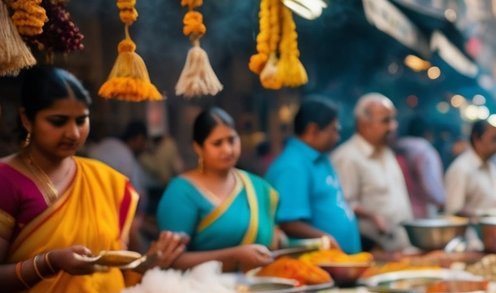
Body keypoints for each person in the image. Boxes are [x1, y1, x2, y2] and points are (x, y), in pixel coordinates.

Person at [0, 67, 185, 293]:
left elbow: (122, 271)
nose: (73, 133)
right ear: (27, 119)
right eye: (58, 121)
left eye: (81, 120)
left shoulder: (107, 181)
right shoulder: (5, 179)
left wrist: (150, 262)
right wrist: (49, 263)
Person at [156, 108, 279, 272]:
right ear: (198, 148)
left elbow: (273, 238)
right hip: (201, 292)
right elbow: (170, 259)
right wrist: (234, 256)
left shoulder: (257, 186)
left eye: (232, 140)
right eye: (217, 143)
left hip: (261, 289)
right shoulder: (181, 192)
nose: (227, 150)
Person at [266, 98, 360, 253]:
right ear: (313, 130)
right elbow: (289, 223)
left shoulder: (320, 158)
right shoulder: (293, 166)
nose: (337, 136)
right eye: (334, 129)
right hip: (315, 264)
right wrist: (325, 239)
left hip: (341, 263)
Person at [332, 93, 412, 252]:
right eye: (385, 121)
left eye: (393, 120)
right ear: (363, 124)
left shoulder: (385, 151)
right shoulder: (348, 157)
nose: (392, 126)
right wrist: (372, 216)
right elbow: (344, 205)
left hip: (400, 248)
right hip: (373, 251)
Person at [444, 120, 496, 215]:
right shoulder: (461, 169)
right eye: (494, 139)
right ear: (477, 139)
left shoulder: (492, 167)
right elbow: (453, 212)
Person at [86, 119, 150, 199]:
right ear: (138, 138)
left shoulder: (108, 142)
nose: (145, 146)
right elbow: (138, 194)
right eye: (144, 141)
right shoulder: (126, 156)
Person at [397, 118, 445, 217]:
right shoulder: (425, 152)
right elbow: (431, 184)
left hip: (402, 209)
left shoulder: (397, 149)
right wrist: (441, 200)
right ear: (428, 133)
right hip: (423, 212)